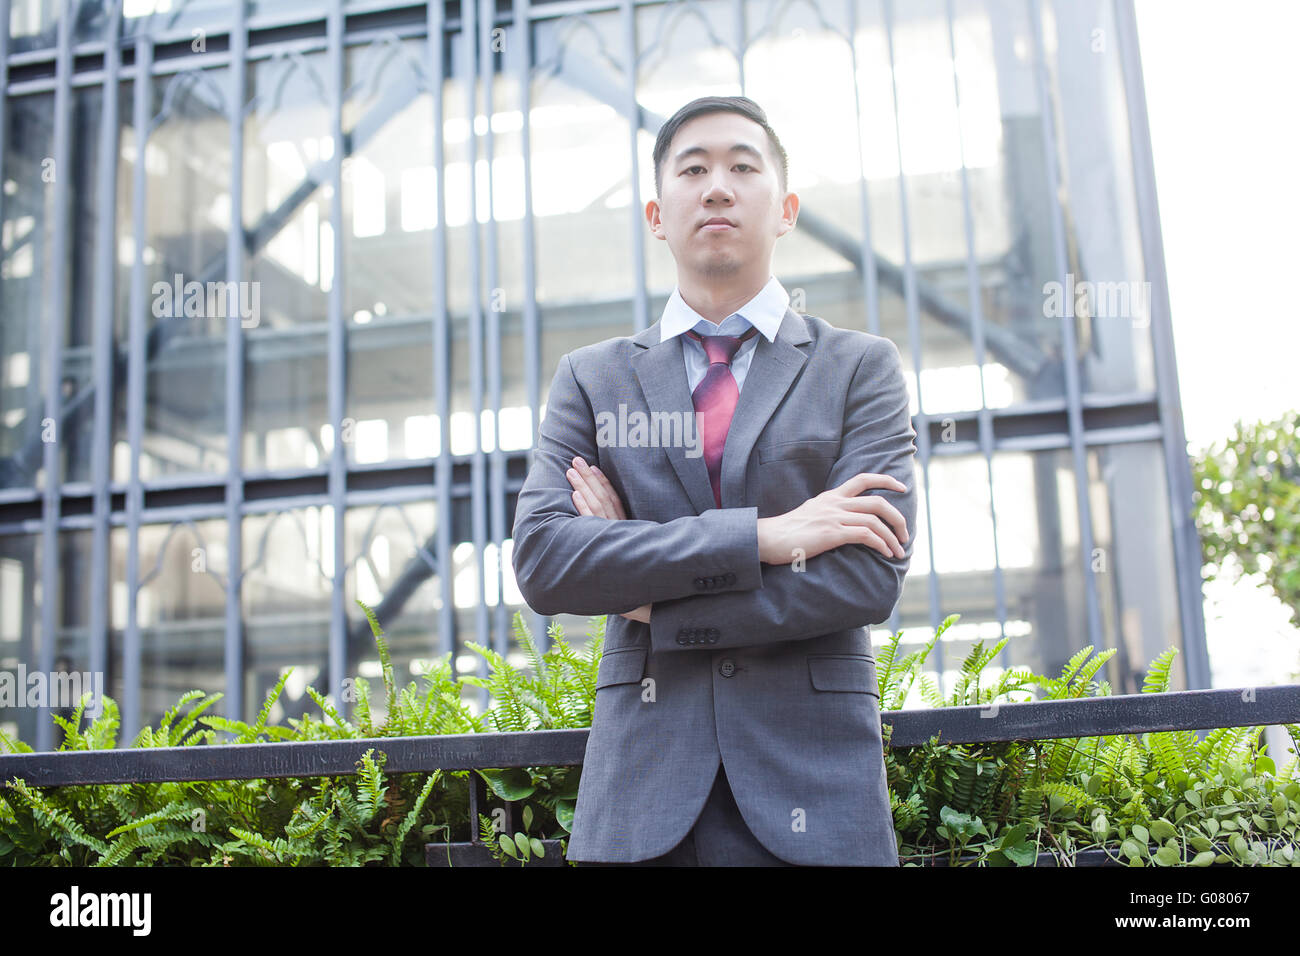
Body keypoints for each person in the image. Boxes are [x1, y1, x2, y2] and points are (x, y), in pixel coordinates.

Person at [510, 95, 917, 866]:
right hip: (640, 800)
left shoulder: (859, 367)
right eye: (692, 170)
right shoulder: (592, 380)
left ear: (786, 208)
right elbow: (543, 560)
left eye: (741, 166)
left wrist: (643, 588)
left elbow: (867, 575)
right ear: (658, 215)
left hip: (818, 792)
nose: (717, 187)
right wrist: (764, 539)